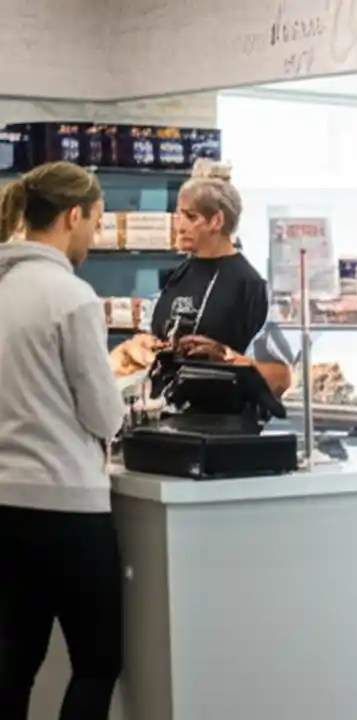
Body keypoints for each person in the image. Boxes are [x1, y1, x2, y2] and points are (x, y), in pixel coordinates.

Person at [0, 162, 126, 719]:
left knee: (13, 665)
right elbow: (103, 415)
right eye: (95, 225)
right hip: (68, 509)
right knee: (97, 662)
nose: (93, 239)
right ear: (73, 216)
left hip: (6, 505)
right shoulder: (71, 296)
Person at [110, 159, 291, 394]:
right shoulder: (181, 273)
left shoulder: (249, 285)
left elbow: (281, 377)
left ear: (216, 221)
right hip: (167, 415)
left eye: (190, 217)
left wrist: (224, 357)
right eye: (178, 216)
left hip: (222, 422)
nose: (180, 226)